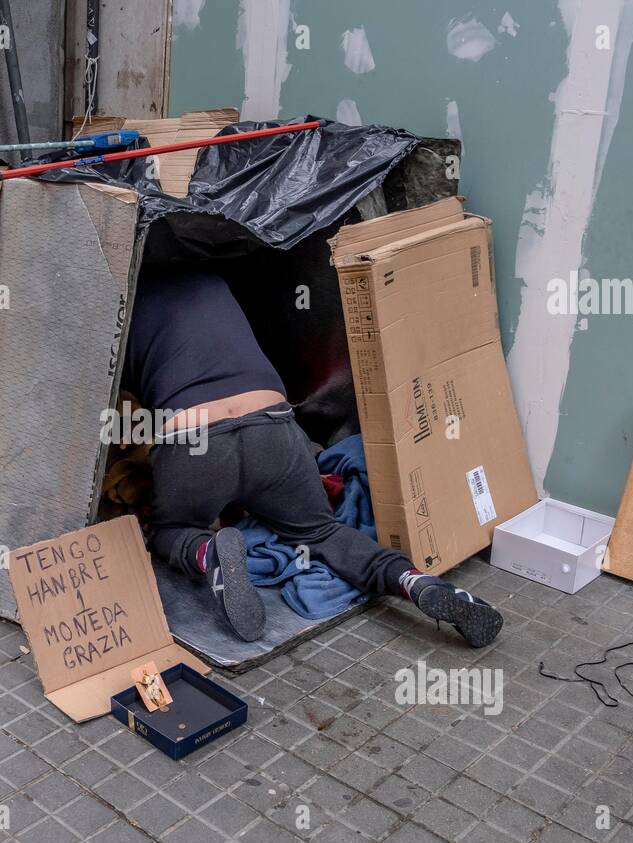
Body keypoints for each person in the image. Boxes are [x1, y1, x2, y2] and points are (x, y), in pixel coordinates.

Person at [124, 268, 503, 647]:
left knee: (168, 531)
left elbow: (116, 404)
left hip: (195, 442)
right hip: (271, 429)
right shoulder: (215, 282)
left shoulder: (123, 303)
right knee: (321, 532)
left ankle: (207, 554)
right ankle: (412, 580)